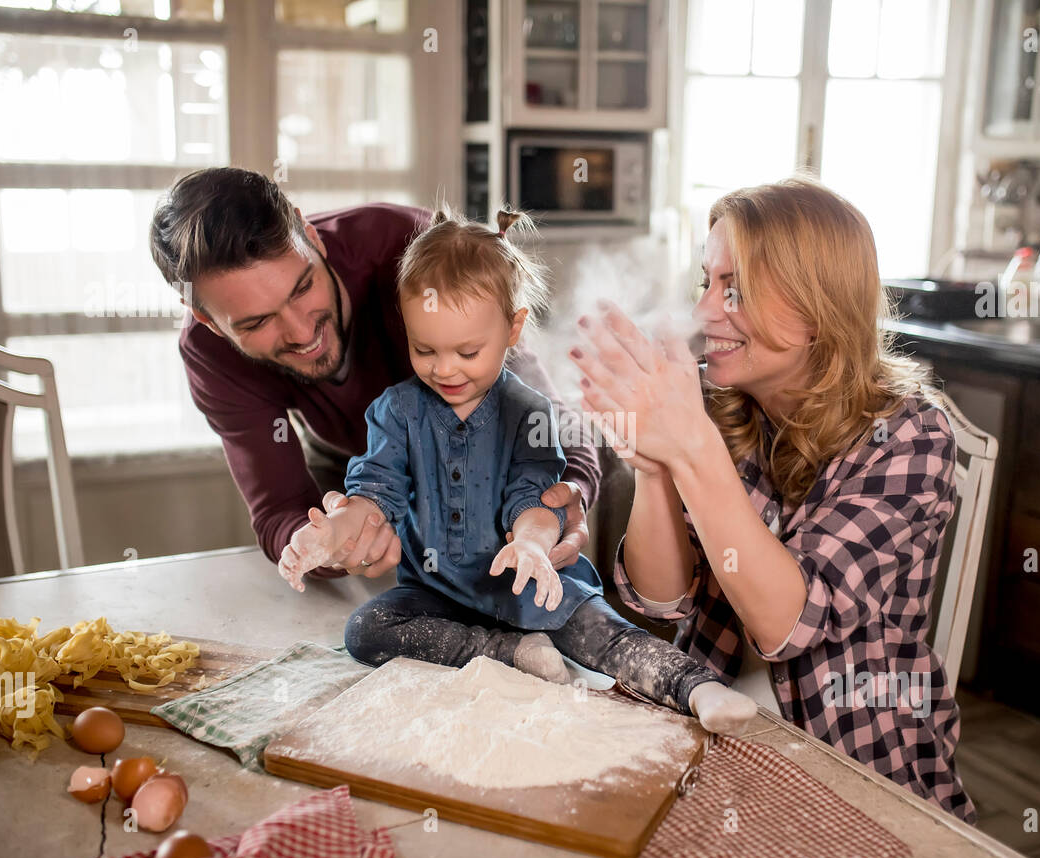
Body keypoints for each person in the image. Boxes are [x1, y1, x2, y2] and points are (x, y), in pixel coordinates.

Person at [569, 176, 977, 823]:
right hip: (710, 728)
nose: (704, 312)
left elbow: (787, 625)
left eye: (734, 288)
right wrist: (653, 465)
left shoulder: (911, 437)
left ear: (818, 304)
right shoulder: (720, 406)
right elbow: (659, 597)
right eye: (705, 282)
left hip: (854, 767)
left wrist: (691, 447)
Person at [278, 208, 759, 735]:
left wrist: (531, 546)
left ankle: (698, 688)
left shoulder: (527, 412)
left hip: (530, 582)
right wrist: (329, 535)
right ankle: (510, 652)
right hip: (438, 593)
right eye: (425, 349)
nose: (445, 369)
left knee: (605, 633)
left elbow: (536, 497)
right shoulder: (395, 412)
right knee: (366, 629)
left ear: (513, 329)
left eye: (467, 351)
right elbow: (375, 494)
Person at [149, 168, 600, 581]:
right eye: (256, 323)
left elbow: (548, 421)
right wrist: (327, 547)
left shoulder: (412, 250)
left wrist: (567, 497)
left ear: (312, 237)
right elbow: (280, 511)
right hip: (349, 467)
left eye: (303, 288)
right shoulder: (208, 352)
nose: (303, 333)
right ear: (208, 321)